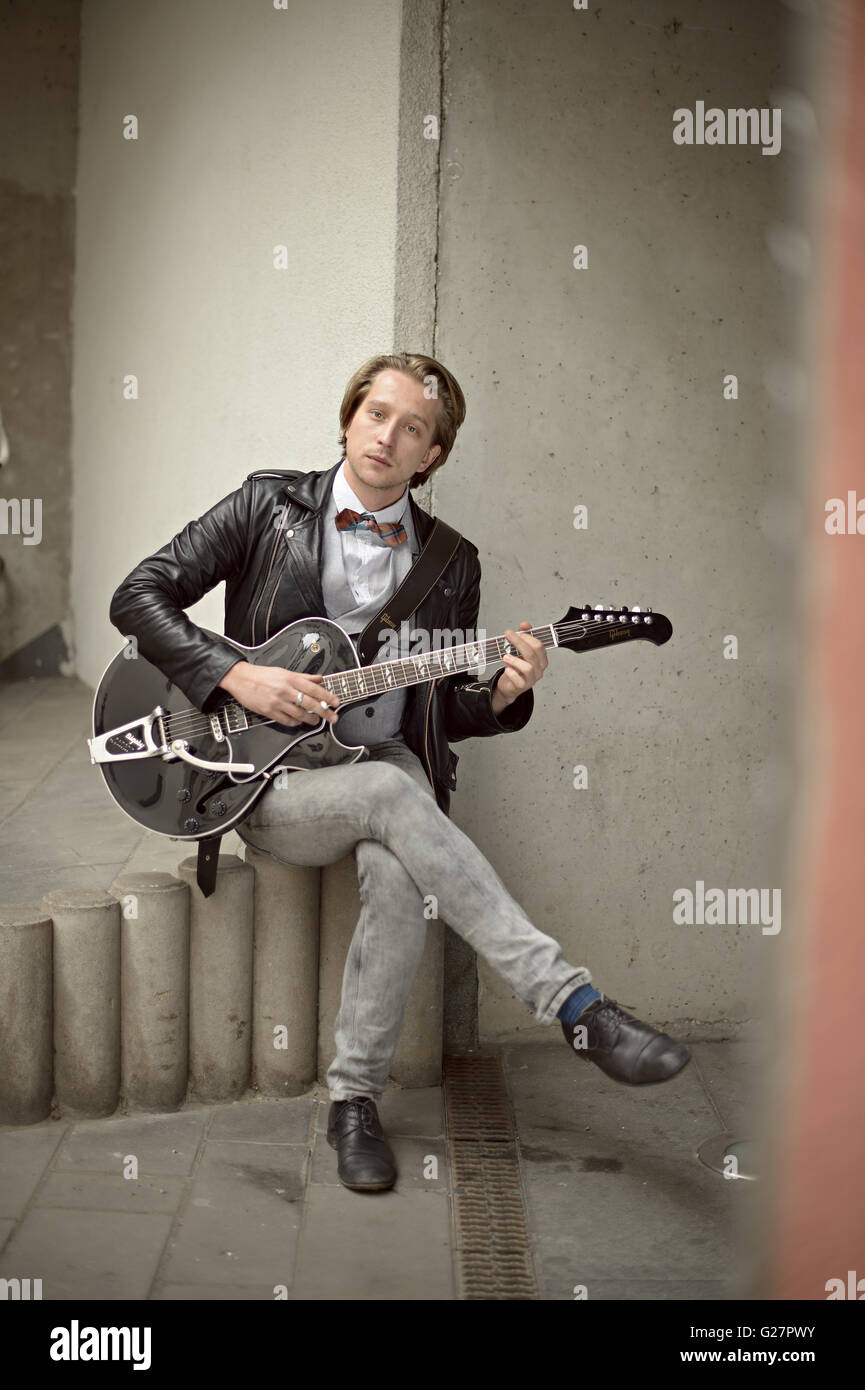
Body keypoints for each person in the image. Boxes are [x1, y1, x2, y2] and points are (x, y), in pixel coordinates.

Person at [109, 351, 690, 1194]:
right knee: (392, 793)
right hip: (256, 775)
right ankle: (575, 1007)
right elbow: (138, 594)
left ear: (432, 457)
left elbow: (438, 707)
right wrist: (234, 675)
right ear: (349, 418)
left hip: (376, 761)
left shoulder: (452, 563)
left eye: (411, 427)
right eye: (376, 413)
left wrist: (500, 695)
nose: (388, 435)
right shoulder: (266, 505)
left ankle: (353, 1102)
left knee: (393, 858)